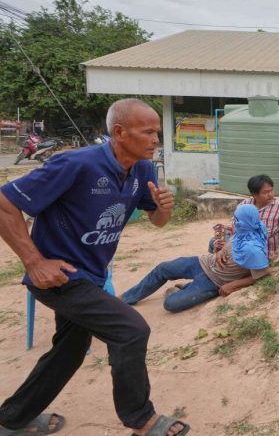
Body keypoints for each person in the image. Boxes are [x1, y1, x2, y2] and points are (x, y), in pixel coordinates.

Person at [0, 99, 190, 436]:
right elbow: (4, 203)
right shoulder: (75, 164)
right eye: (147, 132)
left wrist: (164, 209)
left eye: (157, 132)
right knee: (131, 330)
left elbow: (157, 222)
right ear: (119, 132)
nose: (155, 140)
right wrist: (35, 262)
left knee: (69, 352)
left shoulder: (144, 168)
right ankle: (140, 419)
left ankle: (11, 420)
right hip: (60, 277)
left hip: (92, 276)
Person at [123, 204, 269, 312]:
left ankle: (187, 289)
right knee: (163, 268)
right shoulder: (245, 229)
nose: (233, 221)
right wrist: (219, 252)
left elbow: (260, 275)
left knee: (171, 304)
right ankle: (126, 298)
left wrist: (232, 285)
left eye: (236, 218)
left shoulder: (253, 249)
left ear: (245, 221)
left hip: (214, 282)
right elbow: (229, 243)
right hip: (203, 262)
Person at [209, 175, 279, 258]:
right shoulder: (245, 204)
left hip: (266, 251)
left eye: (271, 190)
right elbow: (234, 225)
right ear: (254, 194)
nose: (270, 194)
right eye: (265, 192)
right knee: (214, 242)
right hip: (243, 247)